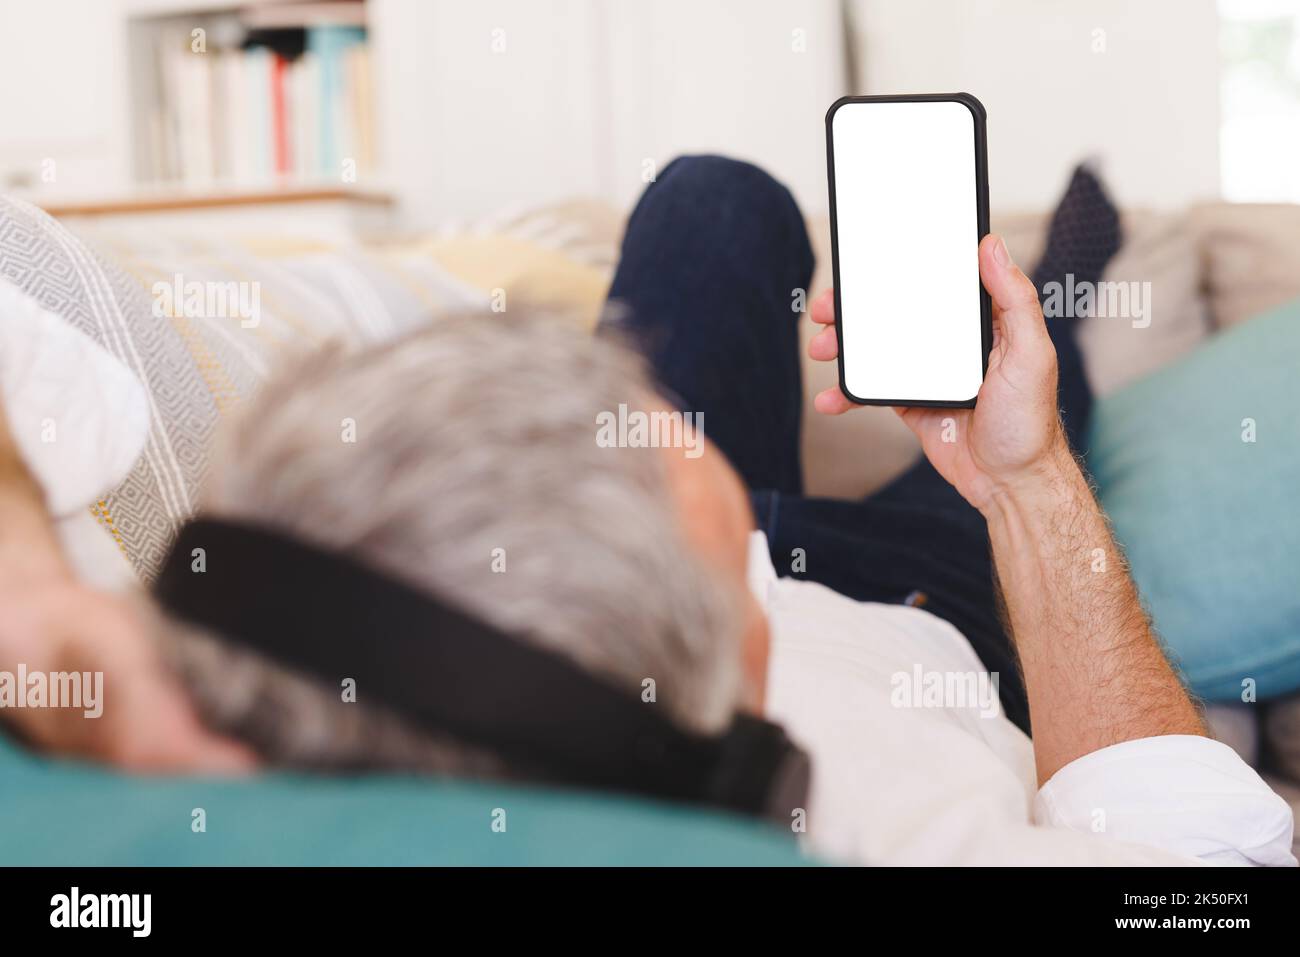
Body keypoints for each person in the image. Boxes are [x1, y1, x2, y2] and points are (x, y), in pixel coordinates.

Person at [0, 157, 1293, 865]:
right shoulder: (903, 834)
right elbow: (1207, 858)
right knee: (1029, 397)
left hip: (576, 555)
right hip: (916, 597)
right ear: (737, 748)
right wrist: (1023, 478)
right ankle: (1069, 273)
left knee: (712, 199)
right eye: (727, 566)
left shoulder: (189, 714)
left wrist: (63, 628)